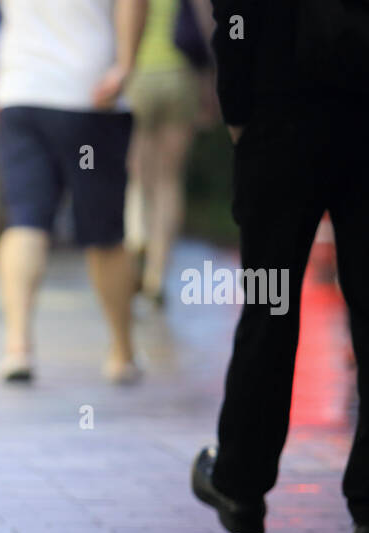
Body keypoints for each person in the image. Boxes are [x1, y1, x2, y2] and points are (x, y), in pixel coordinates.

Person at [192, 0, 369, 533]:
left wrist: (237, 105)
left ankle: (241, 485)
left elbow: (237, 13)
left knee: (270, 303)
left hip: (284, 108)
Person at [0, 0, 148, 384]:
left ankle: (17, 345)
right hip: (91, 94)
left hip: (22, 92)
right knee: (105, 233)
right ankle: (122, 352)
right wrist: (125, 64)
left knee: (25, 219)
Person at [124, 0, 214, 309]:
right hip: (181, 75)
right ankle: (157, 274)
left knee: (137, 172)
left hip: (136, 74)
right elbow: (206, 27)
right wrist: (210, 85)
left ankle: (137, 234)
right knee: (169, 179)